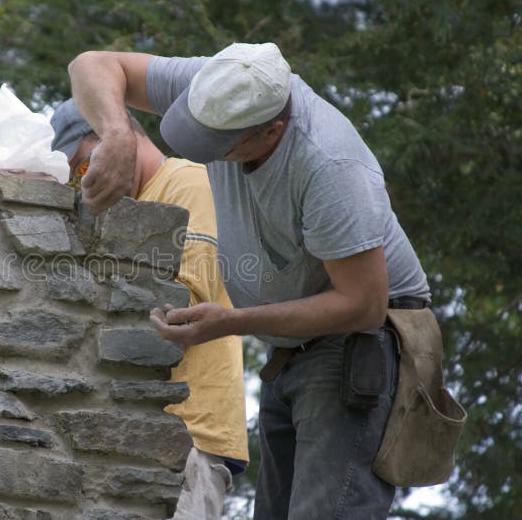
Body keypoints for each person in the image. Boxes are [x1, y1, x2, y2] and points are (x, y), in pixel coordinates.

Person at [66, 42, 432, 519]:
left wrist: (232, 321)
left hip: (356, 343)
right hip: (292, 350)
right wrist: (116, 133)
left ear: (271, 131)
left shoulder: (330, 166)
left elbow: (362, 303)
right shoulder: (221, 85)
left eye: (221, 146)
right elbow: (92, 64)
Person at [50, 99, 250, 519]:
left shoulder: (189, 183)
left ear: (119, 137)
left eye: (83, 168)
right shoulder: (127, 210)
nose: (83, 186)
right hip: (146, 430)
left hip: (190, 438)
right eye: (73, 180)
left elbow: (185, 304)